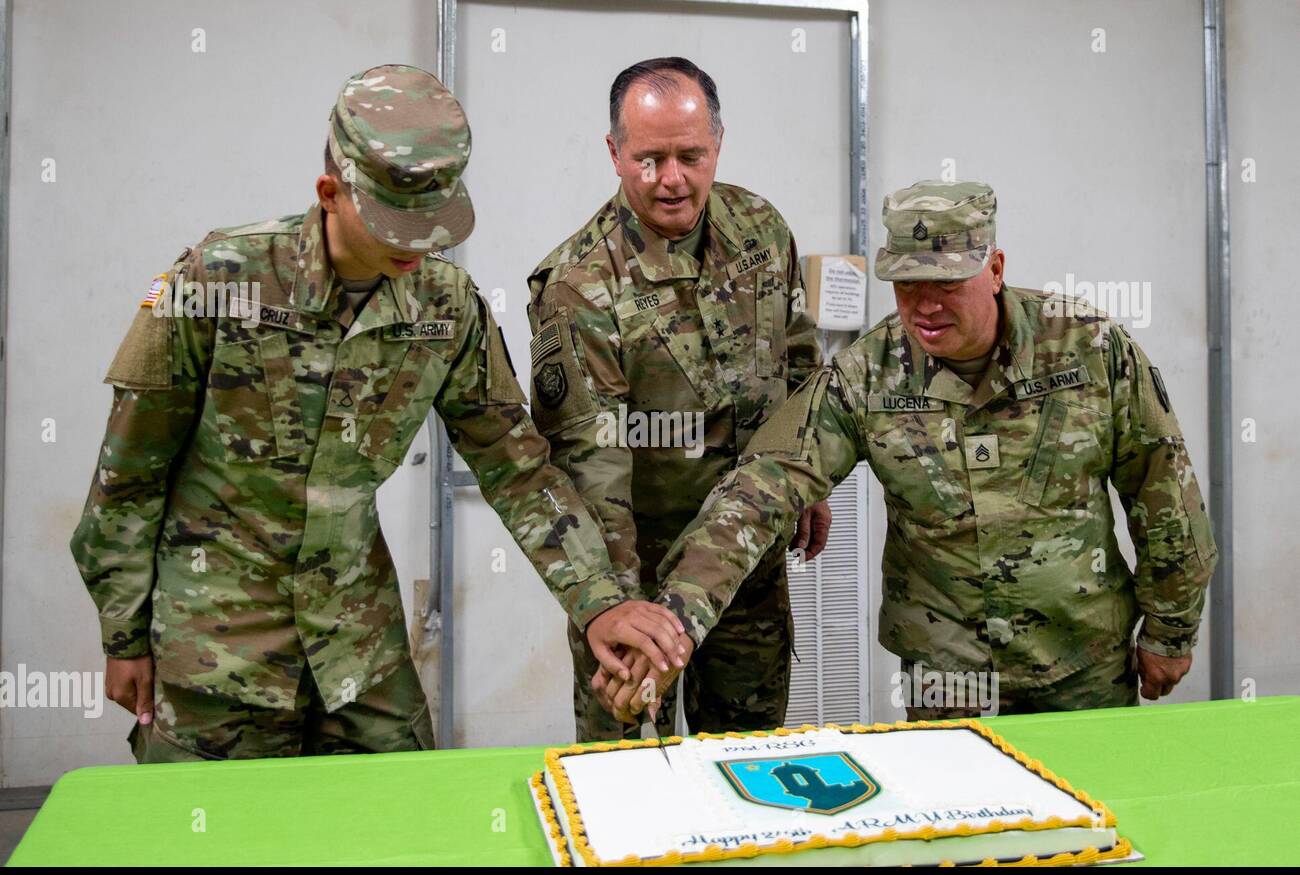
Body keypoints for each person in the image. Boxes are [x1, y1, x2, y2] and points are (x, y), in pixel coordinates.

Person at [70, 64, 683, 761]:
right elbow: (128, 476)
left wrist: (597, 599)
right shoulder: (217, 281)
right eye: (400, 224)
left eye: (436, 223)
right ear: (330, 193)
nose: (421, 244)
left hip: (357, 647)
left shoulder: (447, 306)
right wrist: (123, 634)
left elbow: (516, 469)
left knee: (408, 831)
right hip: (215, 650)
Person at [609, 179, 1217, 720]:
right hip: (947, 679)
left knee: (1090, 834)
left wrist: (1170, 628)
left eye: (947, 282)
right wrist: (675, 623)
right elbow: (760, 489)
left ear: (996, 267)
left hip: (1082, 663)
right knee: (958, 838)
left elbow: (1165, 492)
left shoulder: (1089, 350)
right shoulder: (868, 374)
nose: (924, 305)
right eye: (906, 283)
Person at [526, 57, 829, 739]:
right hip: (636, 568)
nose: (671, 179)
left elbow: (800, 361)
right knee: (630, 775)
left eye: (690, 156)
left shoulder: (759, 227)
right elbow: (589, 471)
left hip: (748, 563)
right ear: (614, 153)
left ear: (718, 142)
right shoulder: (579, 286)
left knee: (748, 761)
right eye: (648, 159)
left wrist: (806, 485)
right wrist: (622, 613)